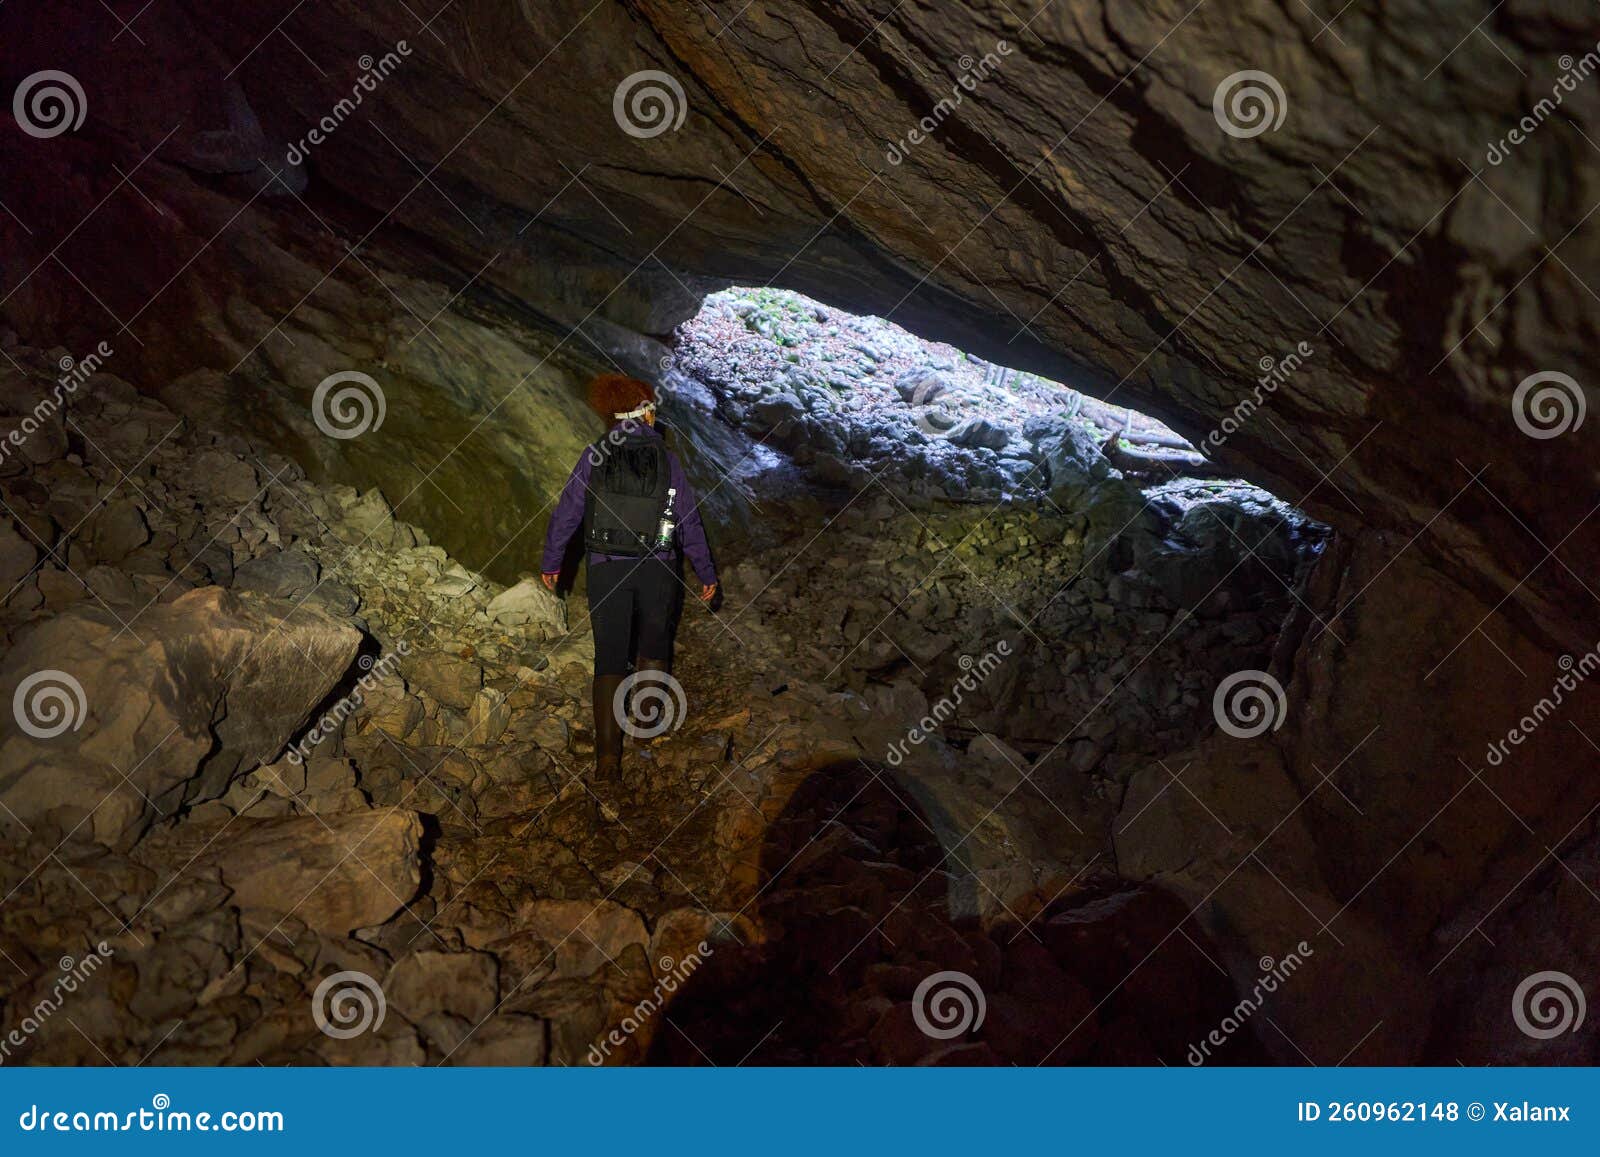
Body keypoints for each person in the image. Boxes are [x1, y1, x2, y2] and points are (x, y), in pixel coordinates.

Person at [541, 373, 718, 782]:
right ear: (647, 413)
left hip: (606, 568)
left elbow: (567, 513)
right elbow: (688, 521)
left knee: (609, 655)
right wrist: (705, 571)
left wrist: (552, 562)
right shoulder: (667, 460)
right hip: (658, 567)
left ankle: (607, 760)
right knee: (654, 644)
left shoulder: (594, 456)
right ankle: (644, 732)